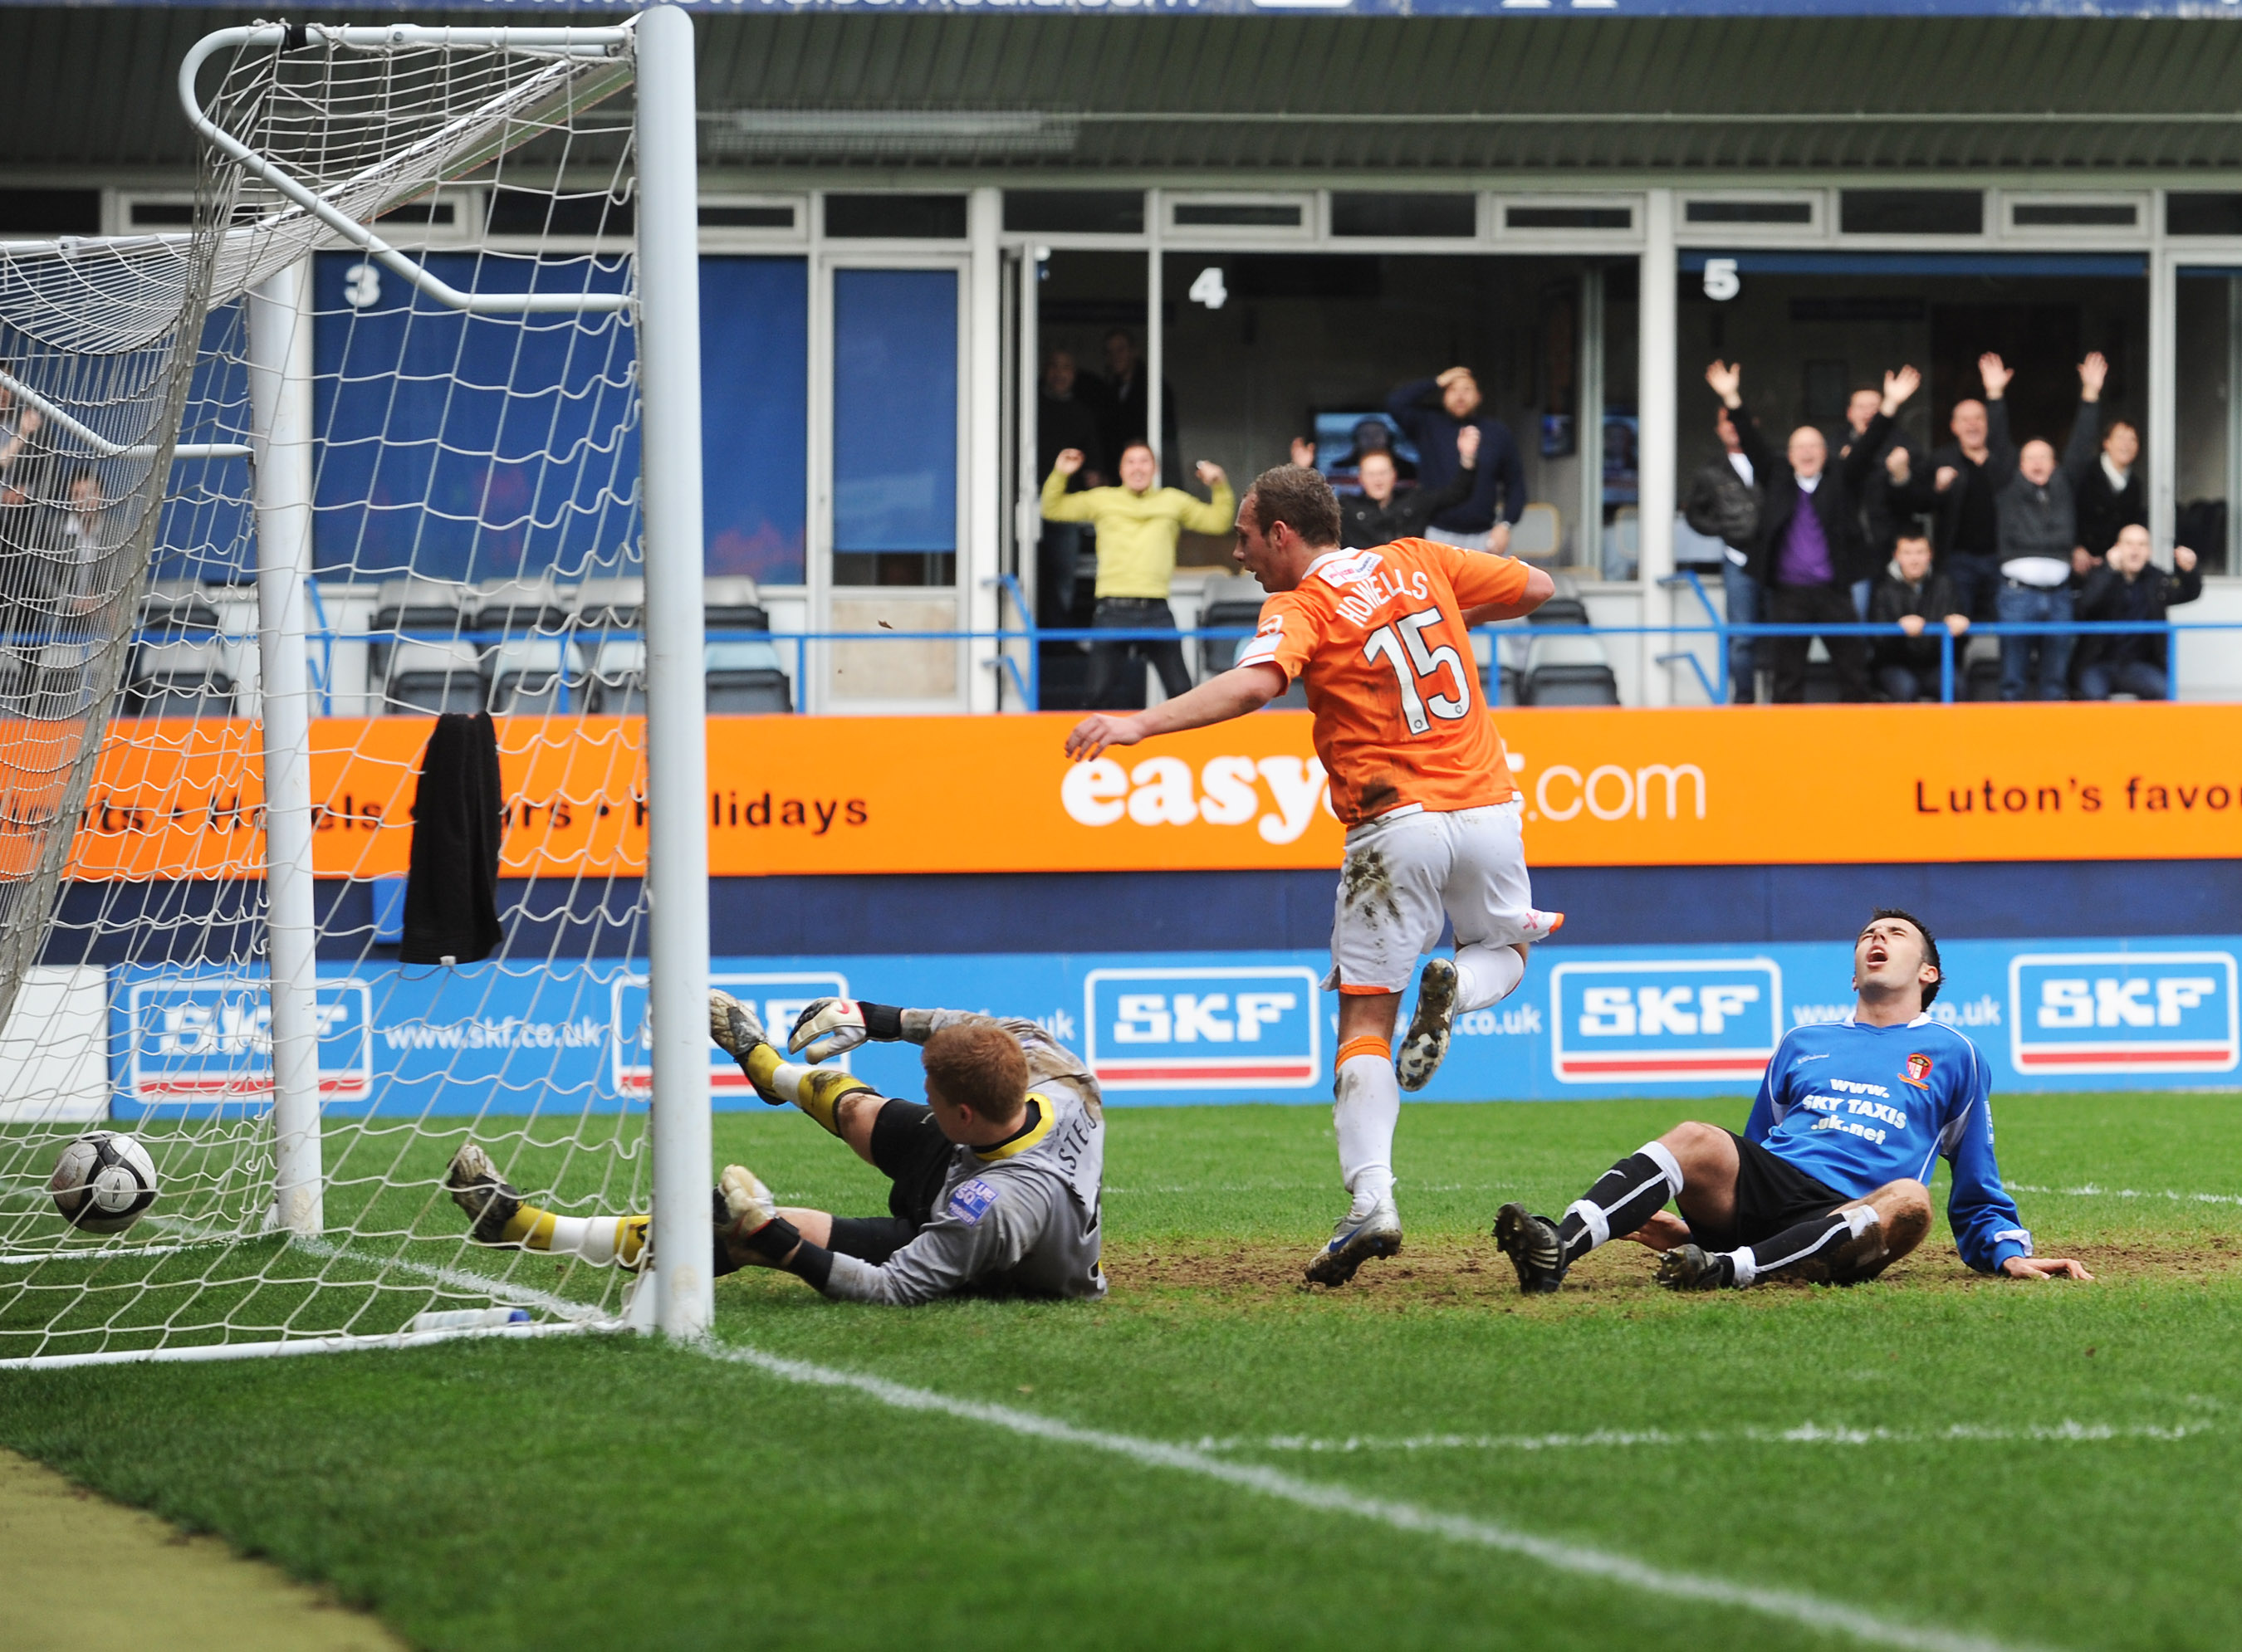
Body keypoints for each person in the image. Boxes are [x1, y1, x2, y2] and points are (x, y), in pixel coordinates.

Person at [1064, 465, 1560, 1288]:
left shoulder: (1300, 604)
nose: (1239, 552)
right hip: (1489, 809)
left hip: (1392, 818)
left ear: (1283, 534)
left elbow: (1258, 683)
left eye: (1247, 536)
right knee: (1504, 952)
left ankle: (1373, 1202)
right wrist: (1429, 610)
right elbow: (1537, 583)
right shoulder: (1414, 558)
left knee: (1366, 1017)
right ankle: (1456, 988)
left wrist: (1138, 722)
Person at [1495, 910, 2093, 1295]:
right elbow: (1755, 1150)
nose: (1877, 937)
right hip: (1773, 1193)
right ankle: (1558, 1246)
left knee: (1912, 1202)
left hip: (1851, 1214)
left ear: (1929, 974)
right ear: (1855, 977)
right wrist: (1691, 1227)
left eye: (1895, 934)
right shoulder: (1802, 1043)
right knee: (1698, 1136)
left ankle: (1728, 1271)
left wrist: (2008, 1253)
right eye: (1868, 935)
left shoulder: (1955, 1052)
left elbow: (1976, 1180)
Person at [445, 990, 1104, 1306]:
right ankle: (768, 1070)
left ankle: (530, 1231)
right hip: (978, 1156)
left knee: (746, 1229)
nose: (922, 1092)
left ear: (963, 1110)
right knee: (859, 1108)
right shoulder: (1047, 1068)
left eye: (930, 1089)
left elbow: (893, 1287)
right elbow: (974, 1027)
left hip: (989, 1259)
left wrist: (780, 1242)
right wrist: (872, 1019)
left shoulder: (991, 1210)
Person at [1708, 358, 1921, 704]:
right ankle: (1786, 745)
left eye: (1814, 446)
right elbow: (1750, 437)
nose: (1807, 452)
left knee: (1853, 670)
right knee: (1787, 676)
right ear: (1789, 455)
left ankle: (1858, 740)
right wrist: (1732, 397)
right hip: (1788, 593)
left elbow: (1869, 446)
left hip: (1833, 590)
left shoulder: (1842, 477)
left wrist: (1891, 403)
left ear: (1826, 453)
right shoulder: (1776, 475)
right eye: (1799, 447)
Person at [1040, 442, 1233, 707]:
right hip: (1113, 610)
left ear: (1155, 469)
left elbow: (1218, 522)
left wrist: (1219, 484)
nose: (1137, 468)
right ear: (1120, 470)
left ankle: (1189, 748)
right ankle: (1089, 748)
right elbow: (1052, 509)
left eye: (1144, 461)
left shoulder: (1172, 500)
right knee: (1097, 694)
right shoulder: (1103, 498)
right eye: (1130, 462)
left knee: (1182, 692)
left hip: (1156, 609)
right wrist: (1061, 473)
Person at [1985, 352, 2105, 702]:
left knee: (2055, 679)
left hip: (2059, 596)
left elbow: (2082, 447)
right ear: (2019, 464)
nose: (2038, 463)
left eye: (2045, 458)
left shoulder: (2064, 485)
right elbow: (1997, 442)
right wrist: (1994, 396)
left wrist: (2091, 395)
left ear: (2055, 464)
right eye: (2030, 457)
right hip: (2016, 596)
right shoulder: (2008, 484)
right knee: (2013, 678)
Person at [1903, 359, 2009, 621]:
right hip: (1957, 560)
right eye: (1965, 420)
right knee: (1956, 624)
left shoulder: (2003, 460)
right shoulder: (1941, 459)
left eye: (1978, 418)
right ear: (1954, 427)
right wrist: (1938, 488)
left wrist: (1996, 394)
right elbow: (1917, 504)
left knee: (2002, 626)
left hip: (2001, 557)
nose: (1972, 425)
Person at [1385, 367, 1528, 553]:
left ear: (1479, 396)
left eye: (1467, 390)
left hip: (1485, 536)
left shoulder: (1497, 433)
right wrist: (1437, 381)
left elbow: (1515, 483)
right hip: (1435, 534)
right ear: (1443, 396)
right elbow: (1395, 403)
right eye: (1452, 390)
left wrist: (1506, 524)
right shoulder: (1428, 425)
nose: (1460, 396)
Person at [1682, 404, 1763, 704]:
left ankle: (1785, 704)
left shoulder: (1771, 462)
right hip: (1738, 558)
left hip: (1777, 559)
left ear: (1751, 423)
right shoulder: (1711, 471)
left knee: (1784, 634)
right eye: (1724, 422)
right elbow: (1694, 515)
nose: (1731, 427)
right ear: (1718, 430)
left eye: (1736, 421)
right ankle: (1744, 702)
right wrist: (1725, 528)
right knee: (1741, 637)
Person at [2072, 525, 2201, 701]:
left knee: (2161, 690)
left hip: (2139, 665)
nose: (2135, 551)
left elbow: (2188, 593)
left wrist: (2189, 571)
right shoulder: (2101, 575)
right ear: (2116, 548)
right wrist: (2108, 570)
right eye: (2129, 544)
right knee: (2091, 695)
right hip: (2099, 664)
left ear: (2149, 552)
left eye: (2141, 545)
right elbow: (2084, 607)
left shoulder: (2156, 579)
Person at [1838, 384, 1926, 614]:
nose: (1868, 413)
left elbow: (1921, 503)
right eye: (1861, 407)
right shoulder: (1833, 446)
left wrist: (1901, 477)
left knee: (1898, 618)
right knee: (1857, 620)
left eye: (1874, 407)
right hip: (1850, 550)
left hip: (1894, 549)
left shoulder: (1906, 447)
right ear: (1849, 413)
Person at [1036, 350, 1107, 625]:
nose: (1059, 373)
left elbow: (1094, 470)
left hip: (1067, 512)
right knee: (1028, 573)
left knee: (1063, 576)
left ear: (1074, 375)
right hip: (1025, 508)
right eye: (1054, 366)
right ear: (1045, 370)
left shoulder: (1082, 414)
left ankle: (1057, 638)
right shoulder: (1028, 407)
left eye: (1066, 368)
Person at [1334, 427, 1480, 548]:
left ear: (1394, 475)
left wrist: (1467, 458)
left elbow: (1457, 493)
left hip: (1409, 576)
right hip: (1364, 579)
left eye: (1383, 473)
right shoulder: (1346, 507)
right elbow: (1316, 516)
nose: (1378, 480)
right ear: (1361, 478)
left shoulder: (1414, 499)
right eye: (1371, 474)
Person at [1868, 531, 1970, 702]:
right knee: (1905, 688)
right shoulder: (1882, 588)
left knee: (1956, 685)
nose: (1914, 560)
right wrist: (1899, 630)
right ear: (1896, 556)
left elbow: (1962, 638)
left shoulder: (1945, 584)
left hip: (1935, 665)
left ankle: (1954, 730)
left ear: (1930, 555)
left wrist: (1961, 628)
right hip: (1894, 665)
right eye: (1907, 553)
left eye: (1920, 552)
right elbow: (1877, 638)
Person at [1094, 329, 1177, 486]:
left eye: (1120, 349)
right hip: (1117, 477)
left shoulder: (1154, 388)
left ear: (1134, 351)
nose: (1115, 357)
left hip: (1148, 477)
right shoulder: (1109, 390)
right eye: (1109, 352)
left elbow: (1163, 437)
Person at [2071, 415, 2145, 582]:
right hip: (2082, 564)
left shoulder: (2135, 485)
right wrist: (2076, 548)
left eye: (2132, 439)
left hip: (2116, 566)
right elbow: (2067, 514)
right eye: (2120, 438)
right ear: (2106, 443)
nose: (2126, 445)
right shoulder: (2085, 474)